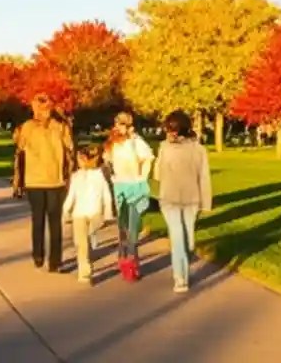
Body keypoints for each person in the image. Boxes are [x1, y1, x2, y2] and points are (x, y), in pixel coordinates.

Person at [14, 93, 74, 273]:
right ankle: (55, 260)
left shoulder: (27, 127)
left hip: (35, 180)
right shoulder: (60, 127)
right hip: (55, 180)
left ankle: (38, 254)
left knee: (37, 219)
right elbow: (70, 147)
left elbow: (19, 146)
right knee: (54, 221)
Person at [154, 110, 212, 293]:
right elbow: (157, 174)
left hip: (191, 199)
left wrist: (207, 202)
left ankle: (183, 266)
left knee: (189, 241)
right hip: (169, 198)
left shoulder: (198, 150)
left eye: (173, 129)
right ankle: (180, 277)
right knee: (177, 236)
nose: (170, 132)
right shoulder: (164, 147)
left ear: (182, 129)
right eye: (168, 129)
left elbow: (204, 177)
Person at [105, 111, 154, 282]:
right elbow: (107, 161)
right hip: (120, 186)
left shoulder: (136, 142)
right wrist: (112, 176)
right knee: (122, 226)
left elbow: (148, 158)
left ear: (129, 126)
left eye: (122, 124)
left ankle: (133, 262)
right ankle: (123, 256)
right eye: (116, 123)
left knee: (133, 226)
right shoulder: (112, 143)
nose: (118, 127)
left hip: (135, 186)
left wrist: (143, 177)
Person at [62, 145, 114, 284]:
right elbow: (71, 196)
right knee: (80, 243)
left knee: (89, 239)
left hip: (95, 213)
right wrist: (65, 210)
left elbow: (106, 195)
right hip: (79, 213)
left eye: (80, 159)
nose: (78, 162)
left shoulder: (98, 175)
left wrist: (108, 213)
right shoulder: (76, 176)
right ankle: (84, 272)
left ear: (87, 160)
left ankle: (88, 254)